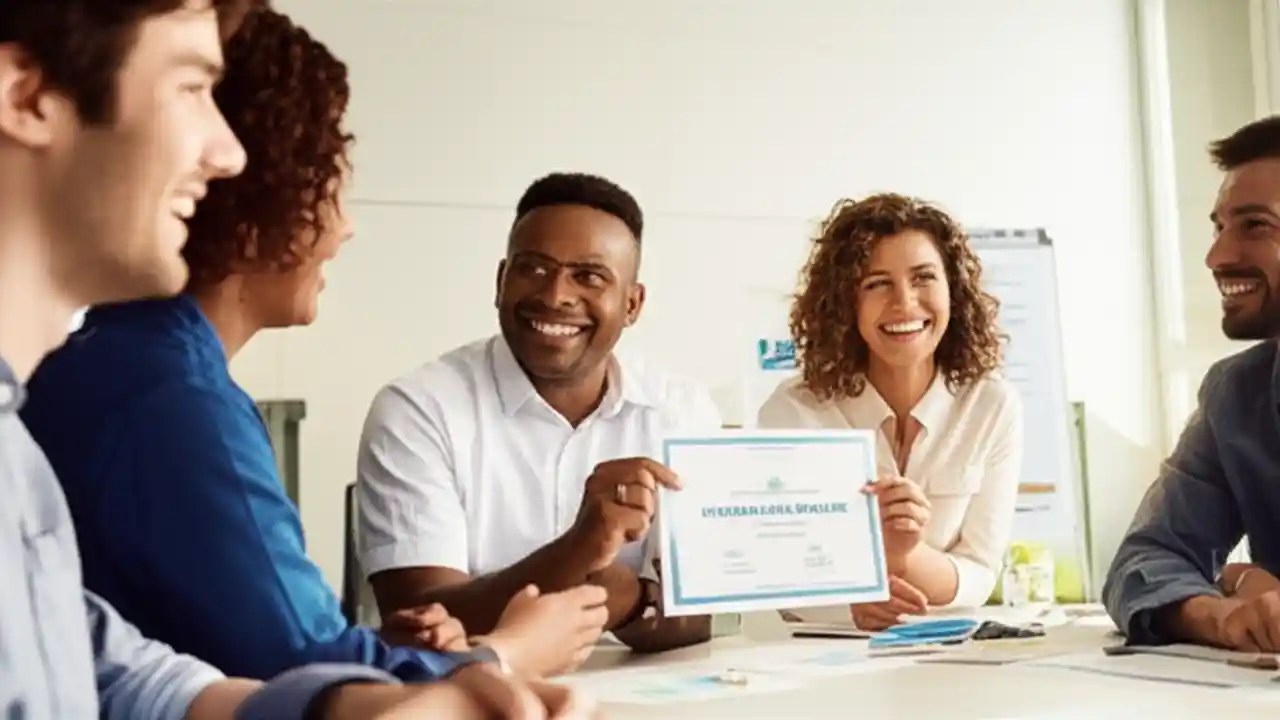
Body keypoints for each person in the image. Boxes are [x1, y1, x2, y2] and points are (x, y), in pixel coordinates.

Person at [1, 1, 592, 718]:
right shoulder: (165, 393)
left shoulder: (26, 437)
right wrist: (503, 654)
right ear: (26, 96)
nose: (228, 157)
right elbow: (295, 652)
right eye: (191, 88)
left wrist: (356, 705)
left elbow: (111, 666)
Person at [356, 172, 720, 656]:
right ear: (501, 280)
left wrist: (620, 593)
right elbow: (421, 625)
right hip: (472, 697)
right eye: (534, 269)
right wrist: (580, 551)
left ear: (631, 304)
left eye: (589, 276)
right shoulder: (419, 409)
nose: (555, 296)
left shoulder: (681, 410)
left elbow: (699, 617)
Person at [757, 193, 1023, 630]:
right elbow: (777, 569)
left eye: (923, 278)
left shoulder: (992, 405)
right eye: (876, 283)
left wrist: (903, 553)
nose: (904, 302)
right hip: (823, 654)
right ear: (846, 303)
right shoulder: (794, 412)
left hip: (945, 656)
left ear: (952, 289)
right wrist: (853, 608)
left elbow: (980, 570)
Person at [1103, 115, 1280, 652]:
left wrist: (1241, 577)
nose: (1217, 257)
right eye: (1219, 227)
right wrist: (1222, 616)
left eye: (1255, 226)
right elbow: (1145, 562)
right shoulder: (1236, 394)